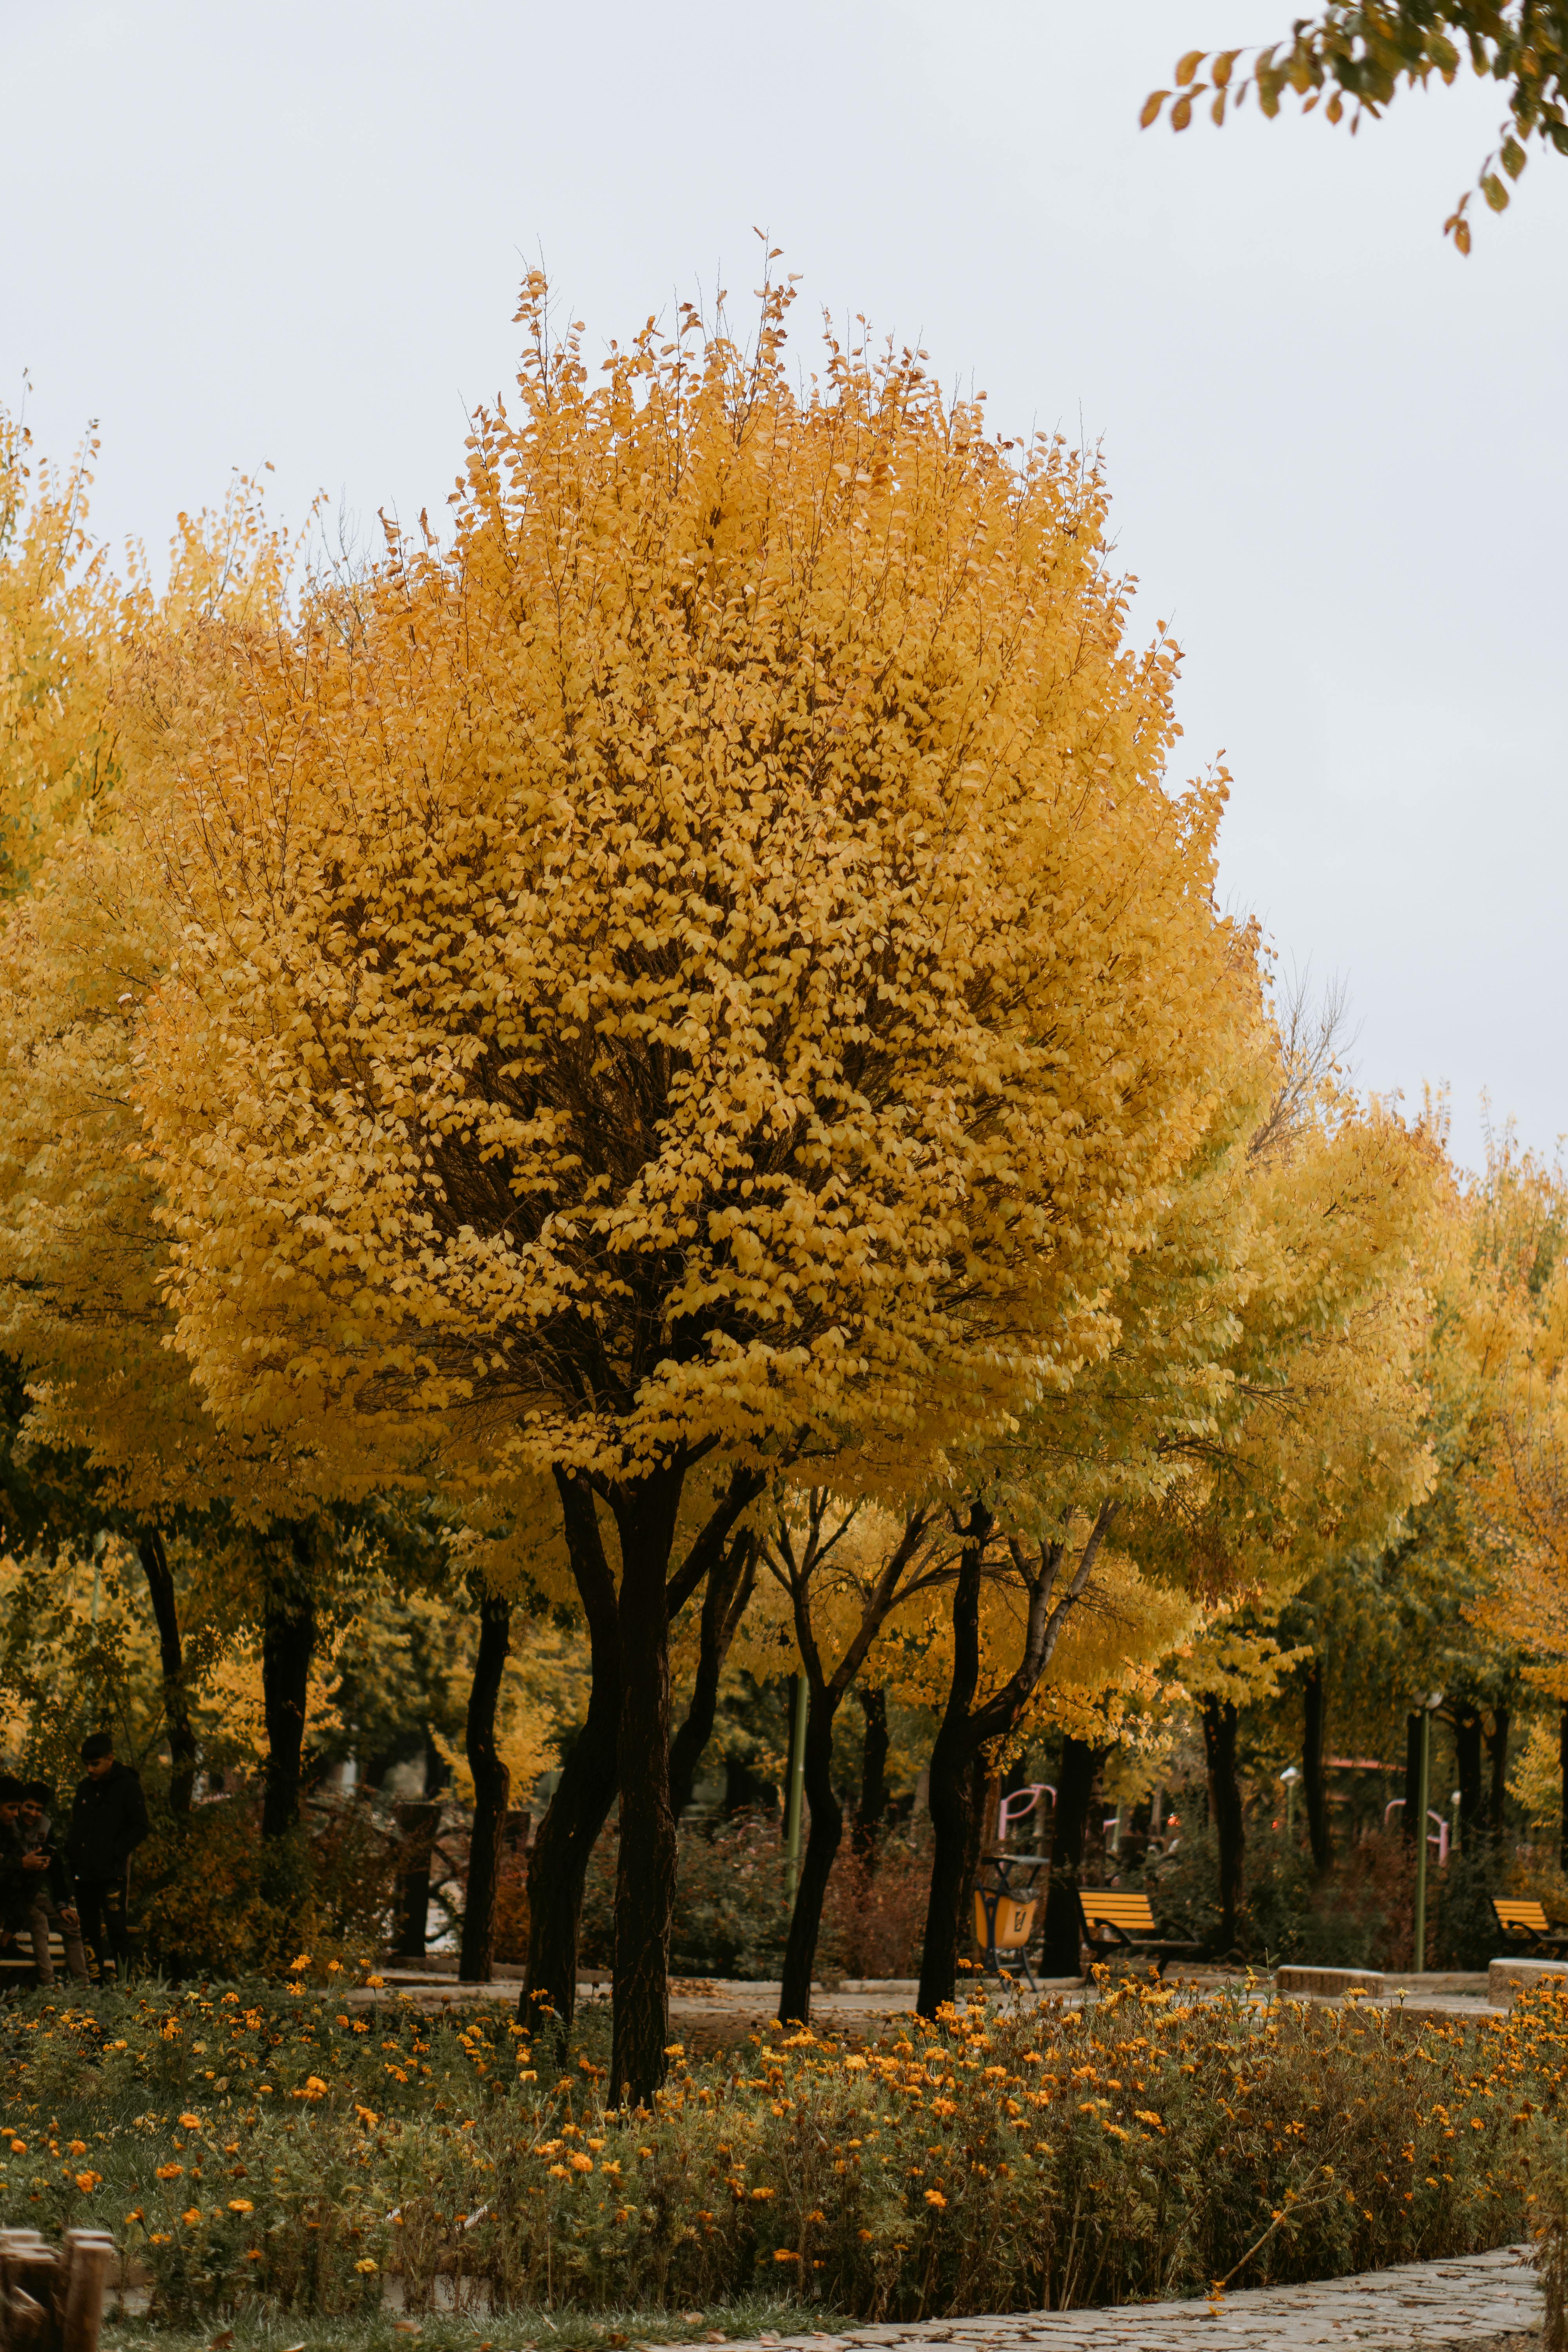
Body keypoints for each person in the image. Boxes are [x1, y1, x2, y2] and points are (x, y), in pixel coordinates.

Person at [65, 1734, 148, 1981]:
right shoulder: (84, 1788)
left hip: (112, 1873)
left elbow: (141, 1827)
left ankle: (125, 1986)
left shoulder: (128, 1786)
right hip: (85, 1874)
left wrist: (116, 1852)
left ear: (110, 1759)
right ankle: (97, 1985)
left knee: (116, 1929)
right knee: (88, 1931)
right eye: (86, 1765)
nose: (90, 1770)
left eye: (95, 1764)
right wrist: (74, 1856)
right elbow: (77, 1826)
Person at [18, 1781, 88, 1987]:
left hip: (33, 1893)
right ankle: (48, 1988)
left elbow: (56, 1869)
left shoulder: (46, 1827)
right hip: (11, 1894)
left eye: (39, 1809)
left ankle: (84, 1987)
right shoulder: (8, 1824)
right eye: (29, 1807)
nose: (33, 1813)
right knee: (39, 1921)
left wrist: (62, 1905)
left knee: (70, 1923)